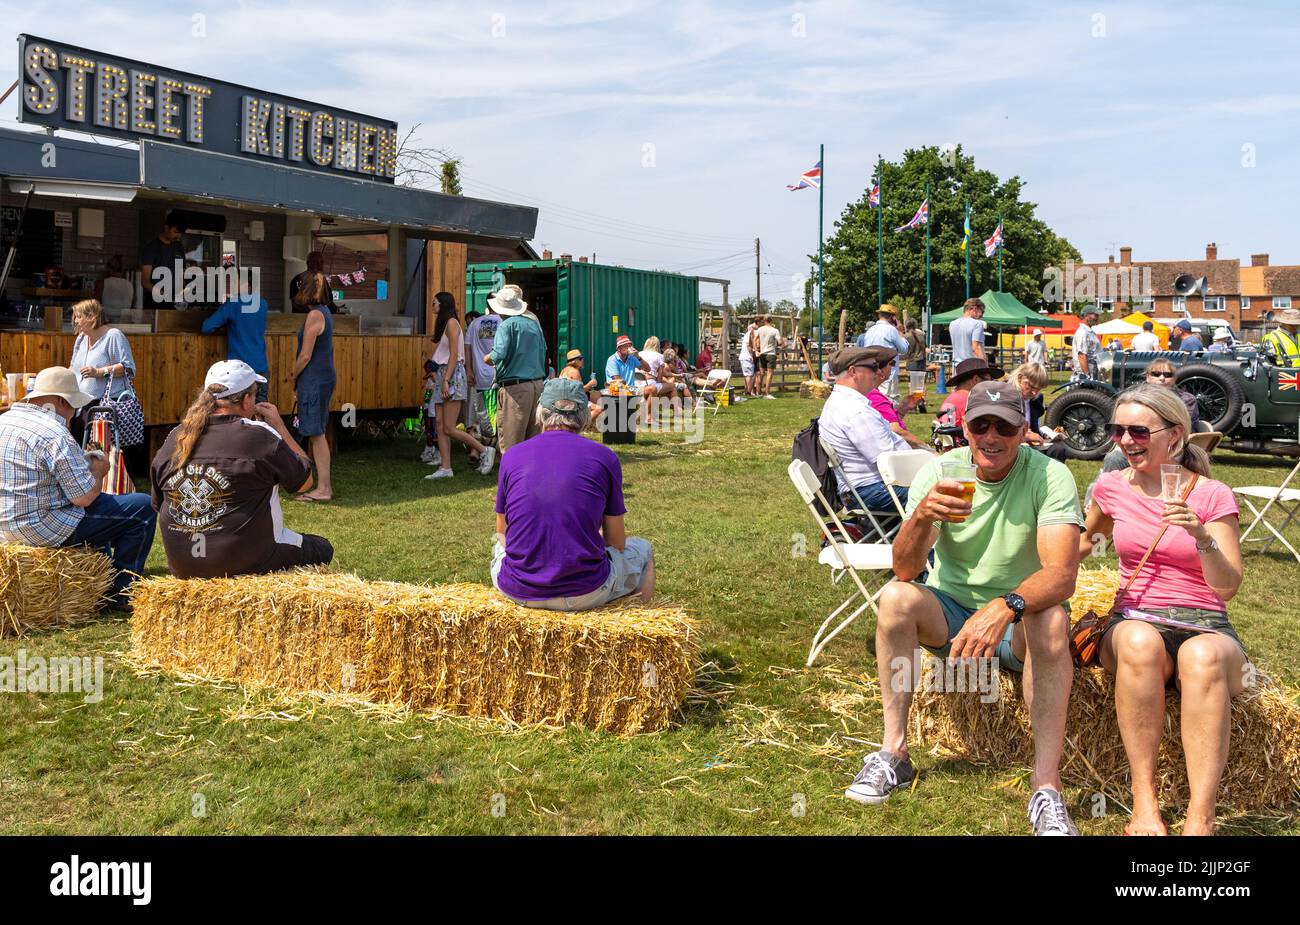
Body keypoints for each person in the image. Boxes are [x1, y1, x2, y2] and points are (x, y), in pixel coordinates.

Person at [848, 381, 1083, 835]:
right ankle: (893, 754)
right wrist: (921, 518)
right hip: (953, 615)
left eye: (1005, 426)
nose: (992, 436)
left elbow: (1061, 575)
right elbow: (903, 569)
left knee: (1053, 618)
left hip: (1020, 620)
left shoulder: (1049, 475)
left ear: (1024, 429)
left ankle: (1046, 786)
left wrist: (1004, 606)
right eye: (981, 425)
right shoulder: (942, 472)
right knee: (895, 599)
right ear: (964, 429)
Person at [1080, 384, 1245, 836]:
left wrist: (1201, 536)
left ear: (1174, 435)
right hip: (1134, 617)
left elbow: (1227, 587)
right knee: (1139, 642)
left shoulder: (1212, 495)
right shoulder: (1110, 487)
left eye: (1137, 431)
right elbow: (1084, 544)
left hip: (1204, 621)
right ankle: (1144, 804)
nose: (1125, 441)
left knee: (1202, 657)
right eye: (1117, 431)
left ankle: (1200, 817)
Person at [151, 360, 333, 579]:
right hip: (247, 561)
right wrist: (280, 427)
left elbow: (158, 504)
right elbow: (305, 481)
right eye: (254, 395)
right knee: (322, 548)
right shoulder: (260, 434)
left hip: (183, 566)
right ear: (247, 400)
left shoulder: (175, 436)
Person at [491, 378, 654, 610]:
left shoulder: (511, 457)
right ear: (585, 416)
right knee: (643, 549)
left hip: (518, 588)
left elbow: (502, 533)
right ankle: (643, 630)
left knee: (497, 548)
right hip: (586, 590)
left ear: (540, 413)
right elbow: (616, 542)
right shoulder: (605, 457)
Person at [0, 367, 156, 604]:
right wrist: (100, 470)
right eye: (74, 407)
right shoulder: (55, 434)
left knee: (102, 511)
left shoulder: (4, 421)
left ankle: (100, 581)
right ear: (63, 402)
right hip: (39, 528)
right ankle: (122, 592)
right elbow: (84, 498)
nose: (74, 414)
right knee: (141, 507)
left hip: (4, 526)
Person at [818, 347, 913, 511]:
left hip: (867, 488)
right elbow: (887, 459)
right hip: (872, 489)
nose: (877, 373)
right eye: (872, 367)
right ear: (853, 371)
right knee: (949, 493)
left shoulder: (843, 401)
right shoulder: (855, 410)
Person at [426, 292, 494, 480]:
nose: (432, 305)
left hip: (452, 375)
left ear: (443, 304)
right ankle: (445, 467)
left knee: (449, 427)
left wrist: (446, 380)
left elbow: (456, 355)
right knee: (439, 425)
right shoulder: (446, 324)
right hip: (443, 373)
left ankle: (484, 450)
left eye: (435, 302)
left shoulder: (452, 323)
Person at [1100, 358, 1202, 473]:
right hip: (1141, 444)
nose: (1162, 378)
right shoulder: (1134, 398)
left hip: (1175, 447)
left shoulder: (1186, 400)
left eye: (1168, 375)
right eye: (1156, 374)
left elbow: (1185, 428)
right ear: (1147, 377)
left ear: (1175, 378)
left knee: (1115, 458)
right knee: (1114, 458)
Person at [485, 284, 547, 454]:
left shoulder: (507, 325)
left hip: (516, 389)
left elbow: (497, 355)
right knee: (533, 442)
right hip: (537, 386)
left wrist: (486, 358)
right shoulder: (534, 323)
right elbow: (544, 352)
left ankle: (511, 480)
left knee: (512, 445)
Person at [291, 271, 336, 502]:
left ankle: (324, 489)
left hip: (314, 379)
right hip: (323, 378)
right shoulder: (325, 313)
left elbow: (305, 356)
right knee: (317, 432)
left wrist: (293, 375)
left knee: (316, 434)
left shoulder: (315, 316)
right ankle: (323, 486)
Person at [68, 299, 139, 444]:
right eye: (75, 316)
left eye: (79, 316)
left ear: (92, 317)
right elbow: (72, 367)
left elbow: (128, 368)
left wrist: (99, 372)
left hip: (104, 407)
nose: (75, 320)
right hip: (80, 406)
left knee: (102, 455)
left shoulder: (113, 335)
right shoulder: (81, 339)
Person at [202, 274, 269, 402]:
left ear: (248, 286)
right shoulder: (263, 304)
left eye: (235, 282)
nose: (232, 285)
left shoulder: (233, 304)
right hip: (261, 368)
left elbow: (206, 327)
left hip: (240, 372)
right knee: (261, 410)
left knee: (239, 413)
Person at [1009, 362, 1069, 461]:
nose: (1034, 392)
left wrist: (1048, 436)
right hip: (1013, 444)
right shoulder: (1007, 397)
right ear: (1020, 378)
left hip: (1032, 444)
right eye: (1031, 387)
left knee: (1058, 450)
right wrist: (1026, 436)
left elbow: (1035, 427)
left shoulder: (1036, 399)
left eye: (1038, 389)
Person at [858, 304, 910, 401]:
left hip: (872, 369)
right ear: (892, 317)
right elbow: (904, 349)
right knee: (890, 399)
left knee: (874, 399)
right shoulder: (891, 330)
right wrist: (901, 333)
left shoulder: (870, 330)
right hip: (888, 370)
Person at [464, 307, 499, 442]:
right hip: (500, 377)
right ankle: (489, 448)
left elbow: (467, 347)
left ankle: (482, 448)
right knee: (497, 416)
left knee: (482, 415)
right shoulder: (504, 321)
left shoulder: (474, 323)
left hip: (480, 377)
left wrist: (469, 370)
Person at [937, 357, 1001, 430]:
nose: (990, 385)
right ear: (976, 379)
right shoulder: (971, 401)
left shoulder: (952, 398)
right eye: (988, 381)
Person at [139, 213, 186, 310]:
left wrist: (183, 294)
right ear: (166, 228)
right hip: (155, 303)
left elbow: (181, 276)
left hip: (175, 304)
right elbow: (145, 282)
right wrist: (164, 294)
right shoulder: (151, 248)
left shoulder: (179, 248)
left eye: (180, 233)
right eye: (176, 232)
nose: (178, 236)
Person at [560, 347, 603, 424]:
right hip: (573, 401)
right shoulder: (575, 372)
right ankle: (580, 427)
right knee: (598, 409)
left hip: (564, 400)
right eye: (580, 359)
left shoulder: (564, 370)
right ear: (575, 361)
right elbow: (579, 391)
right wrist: (590, 384)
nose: (582, 360)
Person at [948, 297, 986, 365]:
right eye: (982, 312)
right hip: (972, 366)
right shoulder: (977, 324)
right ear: (975, 309)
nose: (981, 315)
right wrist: (985, 365)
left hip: (957, 366)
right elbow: (976, 348)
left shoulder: (952, 324)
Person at [754, 315, 784, 398]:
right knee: (769, 374)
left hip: (762, 354)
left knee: (761, 373)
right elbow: (780, 342)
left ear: (764, 320)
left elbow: (755, 339)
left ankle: (758, 393)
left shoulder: (760, 329)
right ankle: (767, 393)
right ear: (771, 320)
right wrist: (782, 342)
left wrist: (756, 350)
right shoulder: (775, 330)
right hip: (771, 354)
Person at [1073, 308, 1100, 377]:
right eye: (1095, 315)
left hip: (1093, 371)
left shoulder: (1090, 332)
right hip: (1084, 374)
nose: (1097, 318)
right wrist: (1087, 376)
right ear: (1086, 316)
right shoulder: (1082, 332)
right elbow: (1081, 355)